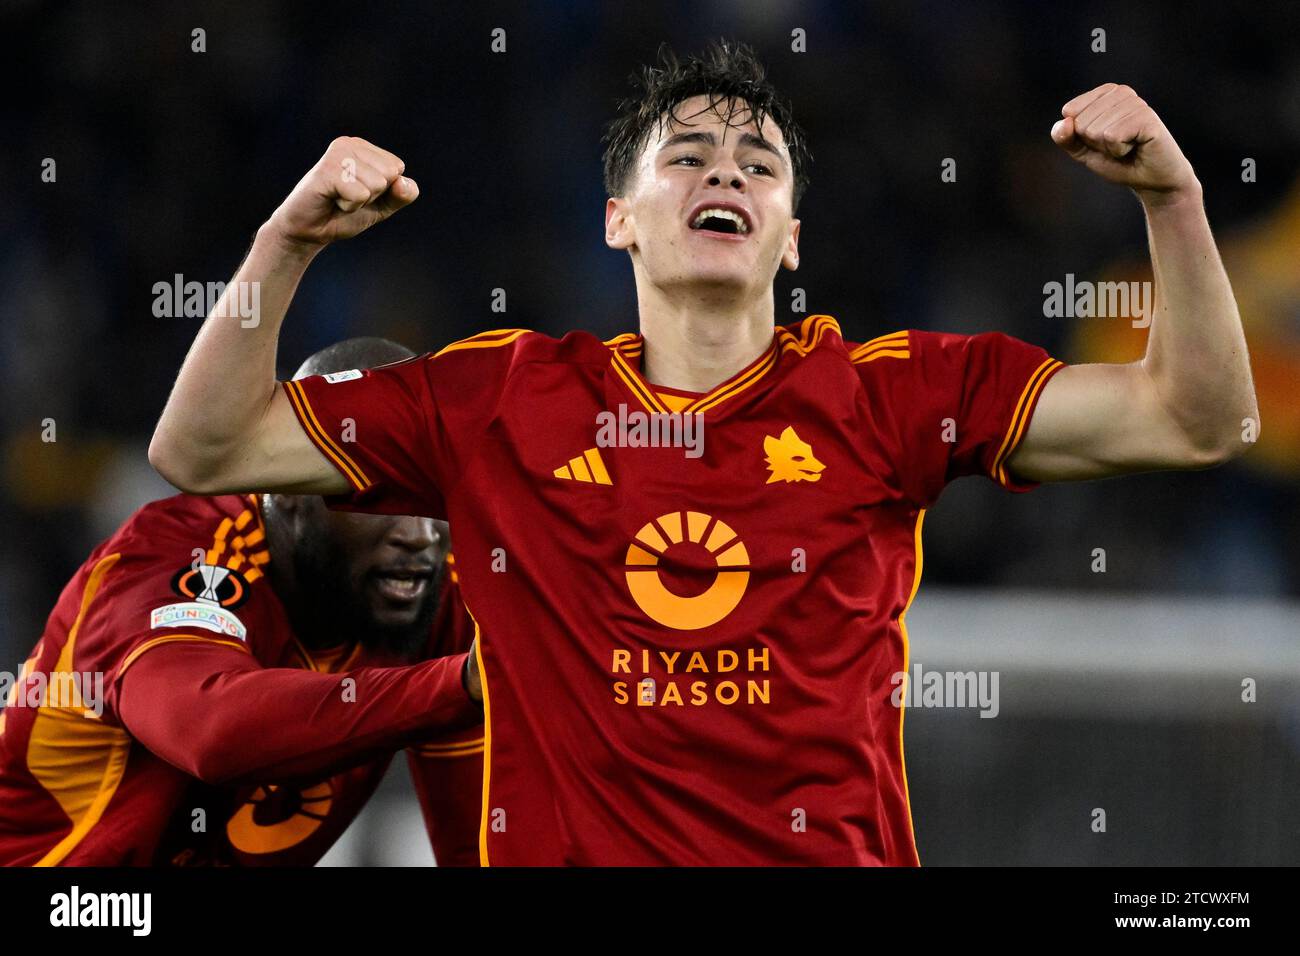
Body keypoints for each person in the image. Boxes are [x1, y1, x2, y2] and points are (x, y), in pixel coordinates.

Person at [147, 40, 1258, 865]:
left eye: (758, 164)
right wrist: (283, 241)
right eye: (685, 155)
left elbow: (1197, 418)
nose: (725, 172)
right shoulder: (500, 398)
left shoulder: (890, 396)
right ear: (618, 218)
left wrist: (1173, 198)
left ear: (791, 235)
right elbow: (203, 446)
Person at [0, 338, 483, 866]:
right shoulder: (169, 564)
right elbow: (212, 733)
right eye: (380, 494)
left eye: (432, 491)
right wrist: (456, 685)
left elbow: (478, 844)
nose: (420, 535)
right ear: (294, 485)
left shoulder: (434, 598)